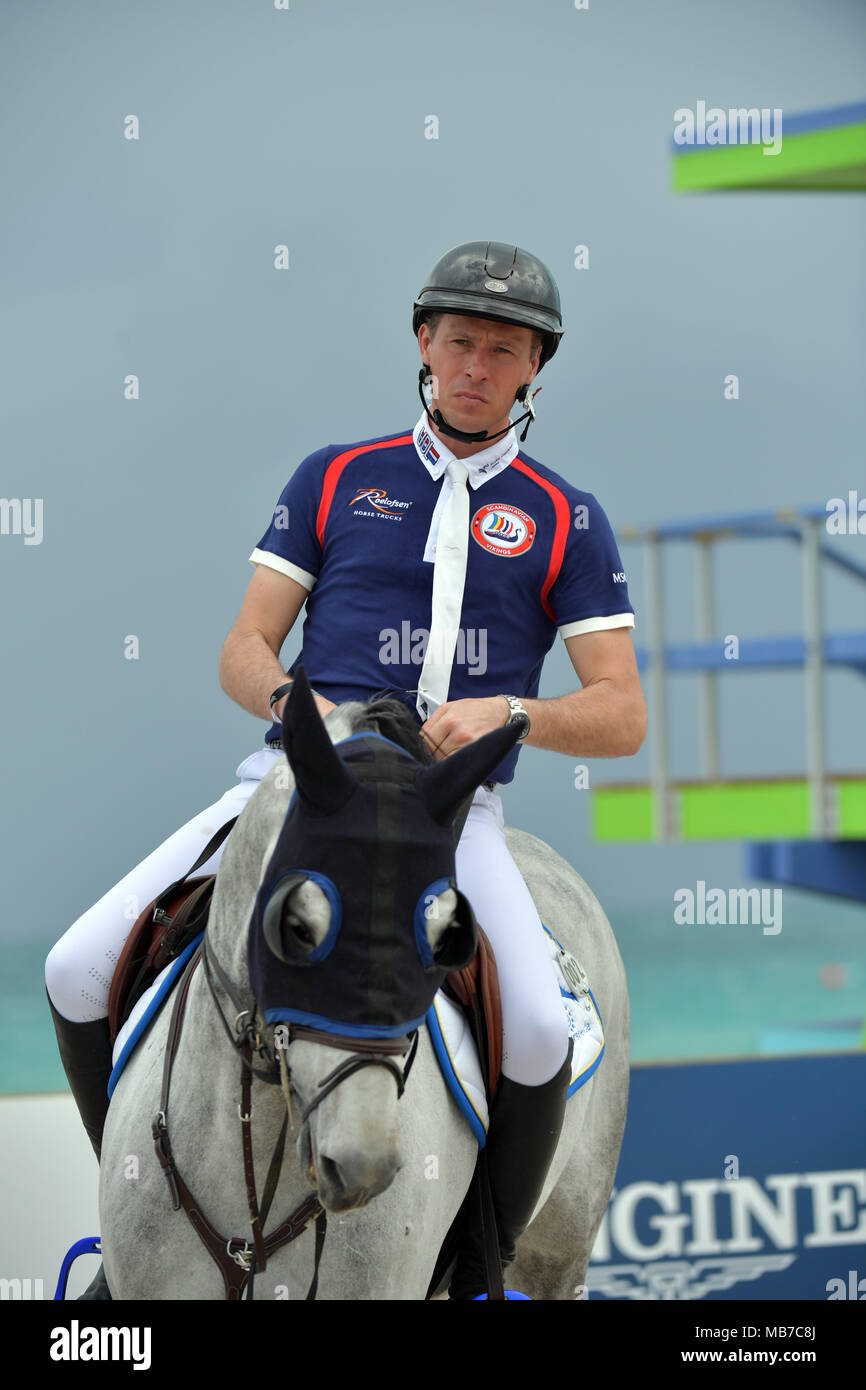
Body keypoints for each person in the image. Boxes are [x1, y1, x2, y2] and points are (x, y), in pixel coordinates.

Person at [46, 240, 646, 1300]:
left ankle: (475, 1263)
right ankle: (134, 1227)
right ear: (423, 343)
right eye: (459, 341)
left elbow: (621, 712)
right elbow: (244, 646)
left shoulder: (567, 516)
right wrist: (298, 706)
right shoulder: (333, 477)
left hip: (448, 814)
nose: (475, 366)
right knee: (75, 965)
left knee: (541, 1029)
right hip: (296, 790)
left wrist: (513, 711)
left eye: (502, 350)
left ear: (533, 368)